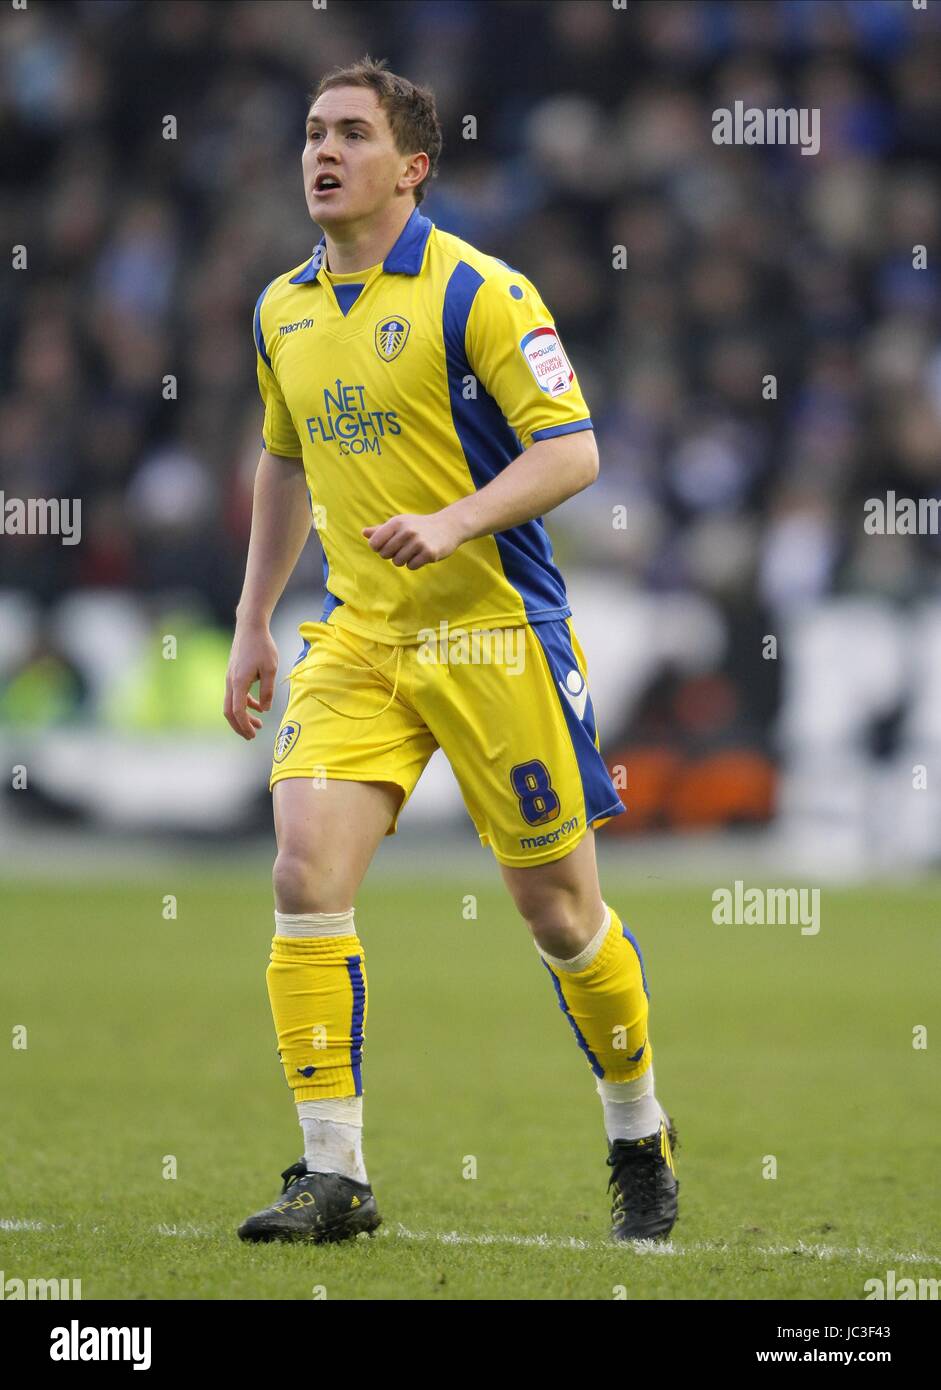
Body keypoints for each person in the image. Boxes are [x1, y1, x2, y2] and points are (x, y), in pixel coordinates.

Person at [224, 55, 677, 1246]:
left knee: (560, 917)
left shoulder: (481, 292)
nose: (322, 153)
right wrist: (251, 617)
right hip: (361, 637)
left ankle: (636, 1129)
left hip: (492, 635)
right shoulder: (279, 309)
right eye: (313, 133)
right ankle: (334, 1176)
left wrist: (454, 519)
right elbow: (282, 461)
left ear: (410, 167)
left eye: (351, 135)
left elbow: (571, 452)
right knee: (302, 873)